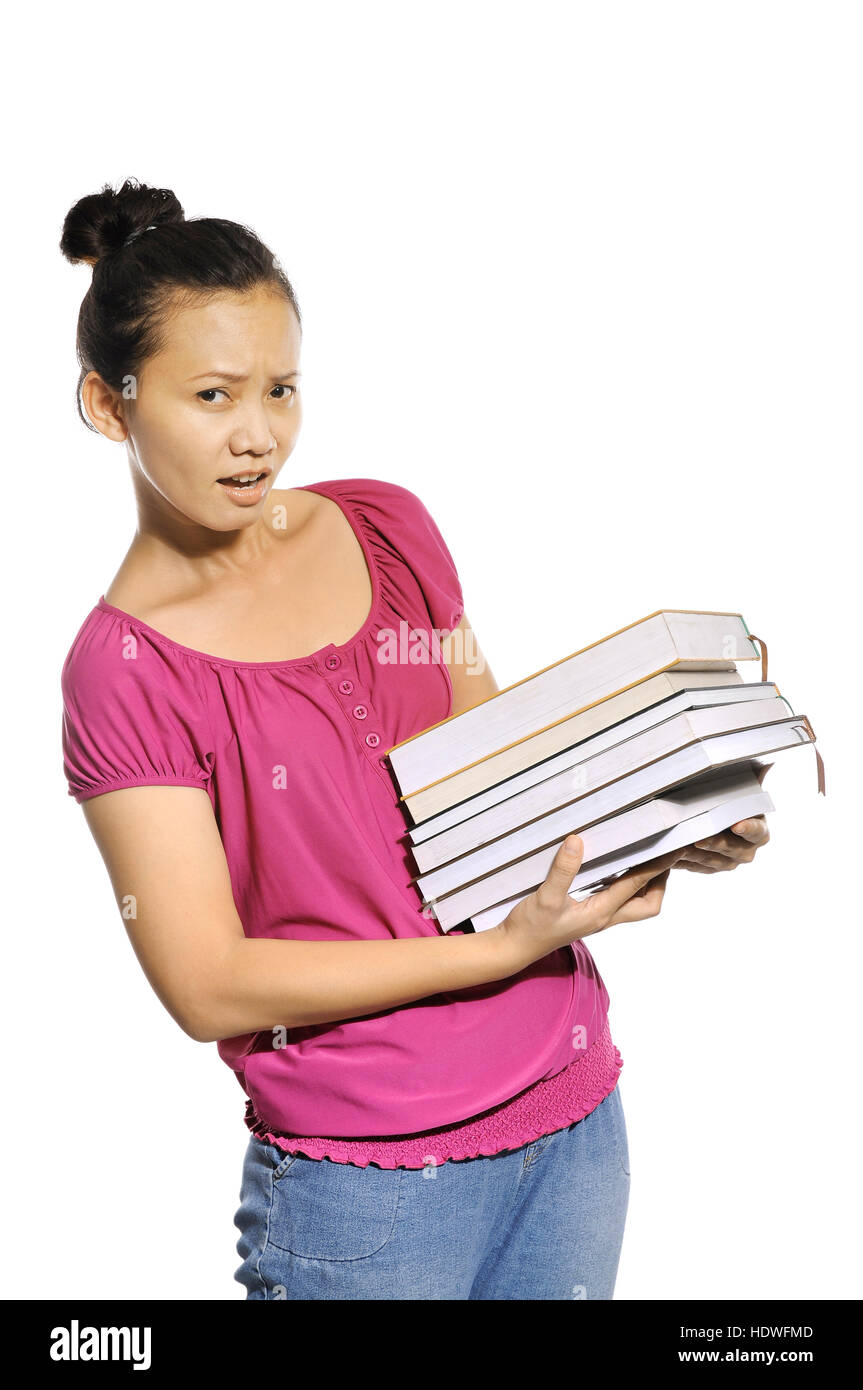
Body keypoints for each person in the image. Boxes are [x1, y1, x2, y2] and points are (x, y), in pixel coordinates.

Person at [58, 178, 770, 1301]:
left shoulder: (386, 526)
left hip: (572, 1113)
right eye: (210, 395)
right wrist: (492, 952)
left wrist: (657, 815)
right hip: (370, 1188)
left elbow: (492, 776)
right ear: (111, 404)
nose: (257, 436)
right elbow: (206, 982)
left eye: (281, 389)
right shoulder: (125, 671)